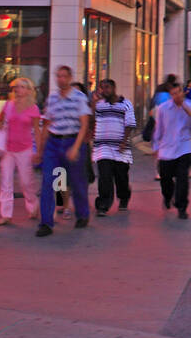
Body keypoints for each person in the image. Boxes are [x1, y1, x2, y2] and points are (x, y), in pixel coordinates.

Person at [36, 65, 93, 237]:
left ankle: (82, 214)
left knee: (77, 181)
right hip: (54, 142)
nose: (60, 79)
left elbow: (84, 124)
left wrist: (76, 147)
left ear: (69, 78)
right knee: (48, 182)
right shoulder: (52, 98)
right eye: (58, 76)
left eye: (64, 76)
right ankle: (46, 222)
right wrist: (41, 149)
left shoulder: (79, 98)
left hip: (72, 139)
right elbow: (47, 122)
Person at [153, 80, 191, 219]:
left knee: (183, 178)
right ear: (170, 95)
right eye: (173, 94)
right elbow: (158, 129)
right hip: (166, 149)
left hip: (184, 148)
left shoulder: (190, 107)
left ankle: (182, 207)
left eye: (178, 92)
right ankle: (167, 196)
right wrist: (155, 146)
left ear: (183, 92)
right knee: (166, 179)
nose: (176, 96)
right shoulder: (163, 108)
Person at [0, 76, 40, 226]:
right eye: (16, 87)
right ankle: (6, 215)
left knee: (26, 182)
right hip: (8, 149)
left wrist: (38, 151)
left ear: (28, 90)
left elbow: (37, 131)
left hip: (25, 149)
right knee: (6, 181)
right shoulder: (9, 105)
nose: (18, 90)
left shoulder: (33, 108)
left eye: (21, 87)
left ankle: (32, 204)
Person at [92, 79, 135, 216]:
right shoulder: (99, 105)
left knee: (121, 177)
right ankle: (103, 205)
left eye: (107, 87)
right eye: (102, 88)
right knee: (104, 177)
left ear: (114, 88)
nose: (105, 90)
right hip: (103, 147)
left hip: (120, 148)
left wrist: (123, 142)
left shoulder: (126, 104)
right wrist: (93, 103)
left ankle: (124, 197)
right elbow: (92, 119)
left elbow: (130, 124)